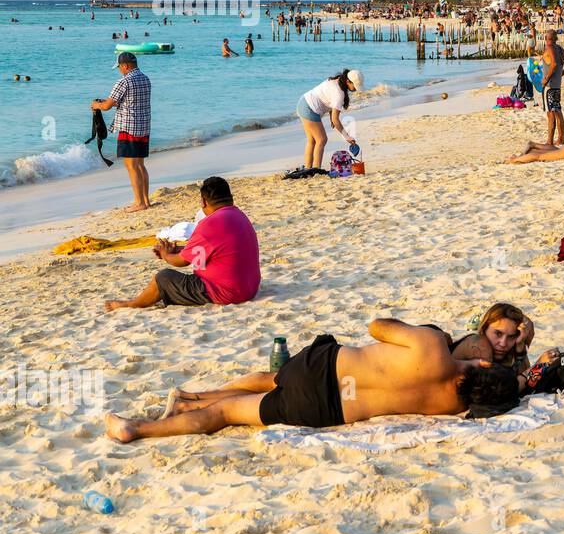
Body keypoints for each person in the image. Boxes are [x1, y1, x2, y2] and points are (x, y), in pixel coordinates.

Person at [103, 317, 523, 442]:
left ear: (483, 366)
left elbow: (378, 326)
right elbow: (512, 387)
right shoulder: (455, 407)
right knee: (230, 413)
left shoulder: (433, 345)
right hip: (329, 410)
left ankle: (185, 400)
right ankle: (141, 428)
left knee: (271, 377)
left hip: (326, 368)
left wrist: (427, 333)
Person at [105, 177, 261, 311]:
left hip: (226, 293)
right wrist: (177, 249)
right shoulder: (239, 215)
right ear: (230, 197)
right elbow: (207, 252)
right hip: (249, 288)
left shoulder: (210, 224)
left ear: (203, 202)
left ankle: (130, 304)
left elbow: (182, 262)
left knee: (163, 278)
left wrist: (167, 255)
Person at [92, 51, 151, 211]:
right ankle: (145, 200)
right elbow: (128, 101)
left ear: (125, 66)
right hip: (143, 126)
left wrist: (96, 105)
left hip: (128, 127)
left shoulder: (124, 82)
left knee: (131, 166)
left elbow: (106, 106)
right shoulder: (145, 79)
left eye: (119, 67)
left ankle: (139, 203)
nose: (119, 70)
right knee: (140, 165)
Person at [297, 69, 363, 170]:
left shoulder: (338, 80)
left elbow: (327, 97)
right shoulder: (340, 94)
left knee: (312, 140)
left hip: (303, 103)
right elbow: (335, 120)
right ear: (348, 81)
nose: (355, 89)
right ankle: (316, 169)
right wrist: (347, 136)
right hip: (309, 109)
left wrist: (332, 114)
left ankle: (308, 168)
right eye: (354, 86)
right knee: (322, 140)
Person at [541, 30, 564, 145]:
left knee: (550, 114)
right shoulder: (559, 49)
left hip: (549, 86)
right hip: (556, 86)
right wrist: (560, 74)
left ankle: (549, 141)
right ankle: (560, 138)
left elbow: (553, 64)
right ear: (556, 39)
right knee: (558, 111)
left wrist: (546, 78)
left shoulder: (549, 48)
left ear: (545, 38)